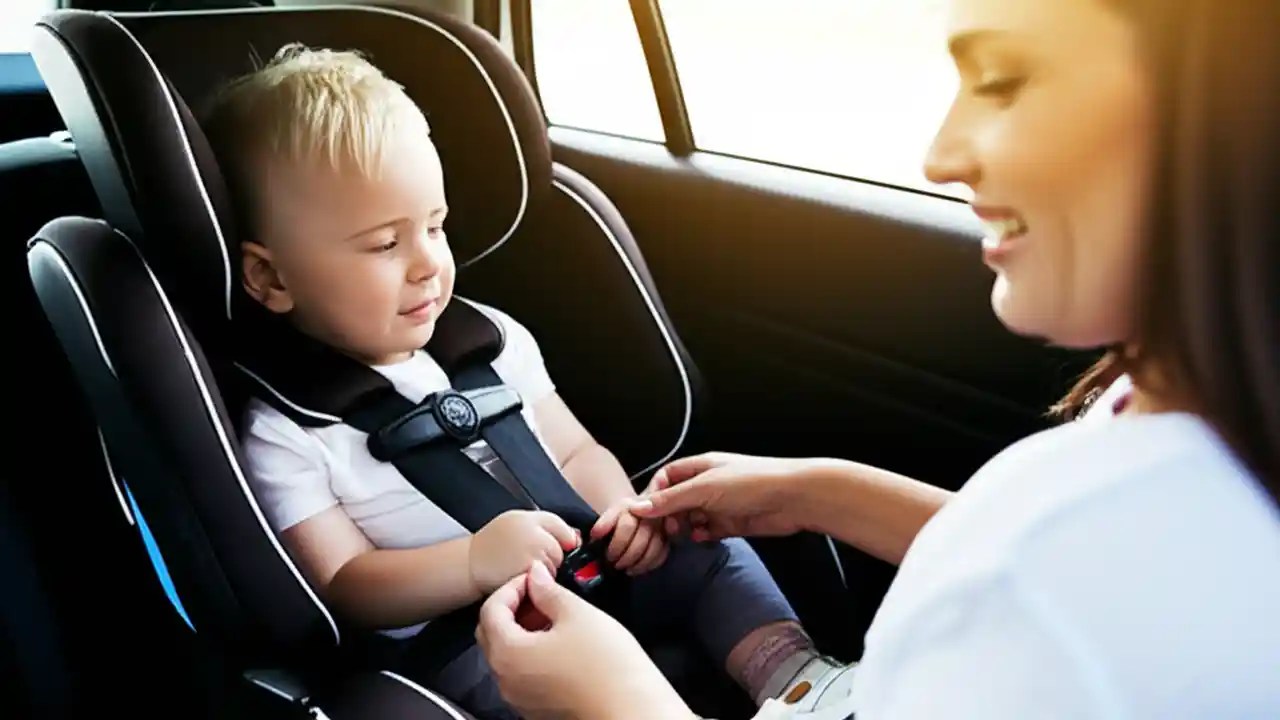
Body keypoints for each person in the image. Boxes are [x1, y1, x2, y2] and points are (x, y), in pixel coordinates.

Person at [475, 0, 1280, 718]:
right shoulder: (1200, 433)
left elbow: (1060, 591)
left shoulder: (1030, 594)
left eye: (1002, 79)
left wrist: (614, 700)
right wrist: (818, 492)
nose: (941, 154)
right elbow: (1119, 589)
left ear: (1232, 100)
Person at [197, 44, 858, 719]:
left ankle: (804, 687)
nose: (429, 264)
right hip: (481, 634)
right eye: (384, 244)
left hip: (592, 564)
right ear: (272, 279)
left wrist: (620, 512)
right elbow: (343, 582)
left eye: (435, 226)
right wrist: (476, 563)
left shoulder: (490, 341)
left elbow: (575, 452)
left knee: (708, 552)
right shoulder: (287, 432)